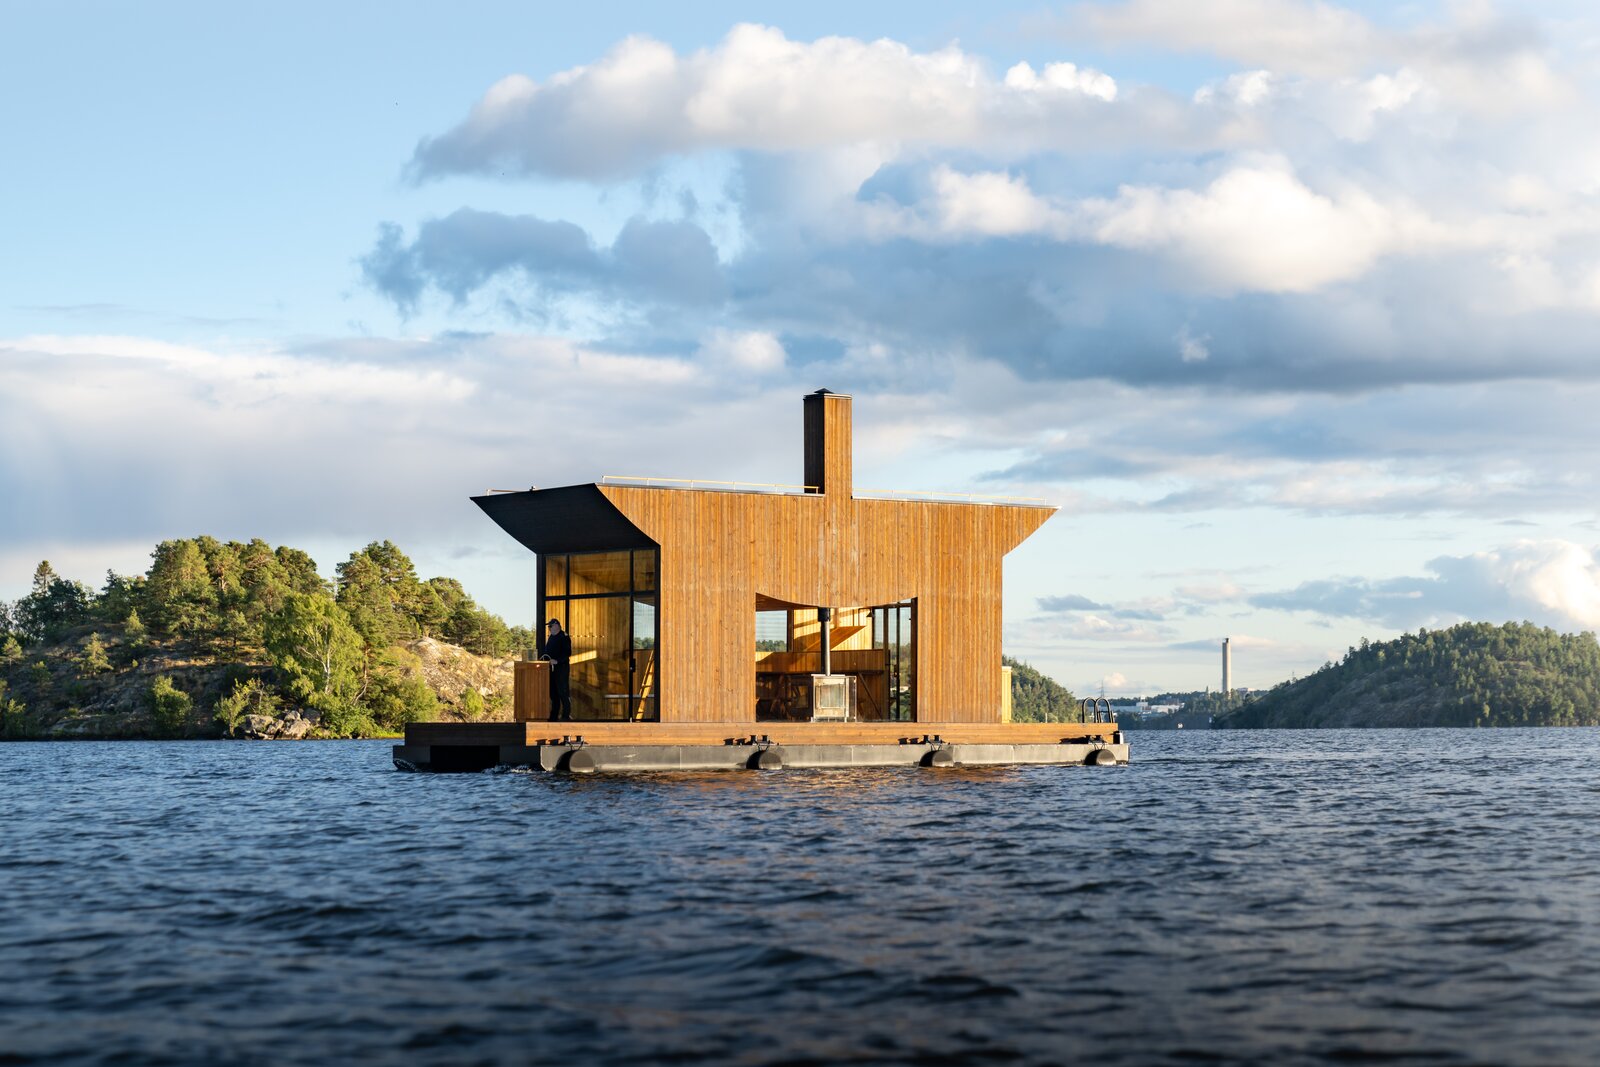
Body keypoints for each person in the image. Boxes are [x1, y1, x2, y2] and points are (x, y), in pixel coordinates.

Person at [543, 618, 573, 721]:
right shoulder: (551, 637)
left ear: (556, 625)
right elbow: (546, 651)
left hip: (561, 668)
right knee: (553, 693)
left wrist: (557, 661)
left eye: (550, 626)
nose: (549, 628)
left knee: (563, 692)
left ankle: (565, 716)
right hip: (551, 669)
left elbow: (567, 653)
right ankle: (554, 716)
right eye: (548, 627)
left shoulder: (564, 637)